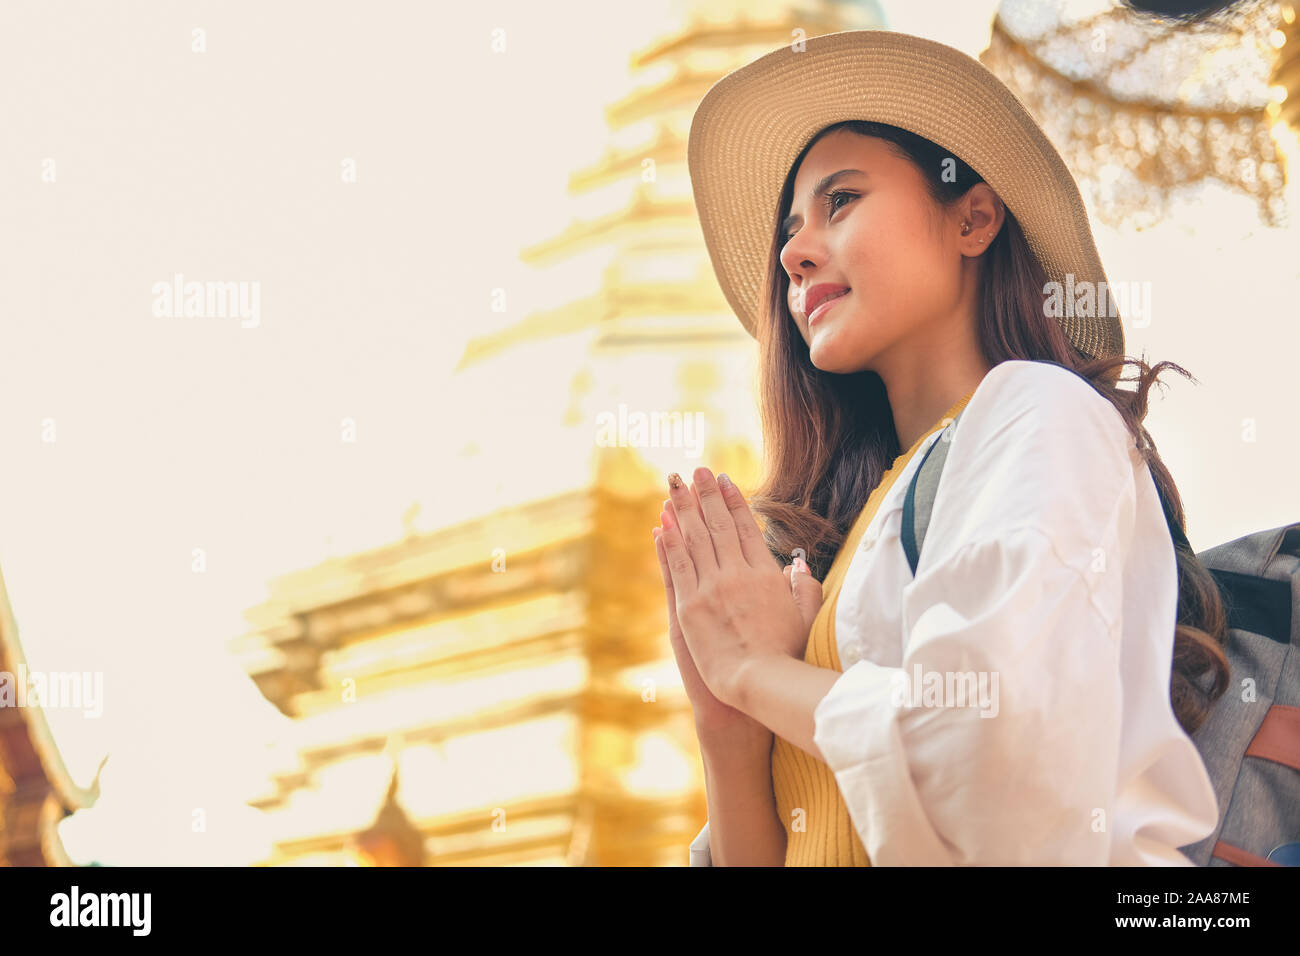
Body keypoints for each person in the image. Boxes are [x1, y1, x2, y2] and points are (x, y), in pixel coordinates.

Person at [651, 30, 1229, 866]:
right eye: (791, 230)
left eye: (840, 201)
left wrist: (756, 675)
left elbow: (989, 751)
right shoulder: (848, 545)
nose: (793, 250)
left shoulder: (1041, 414)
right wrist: (729, 726)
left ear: (974, 217)